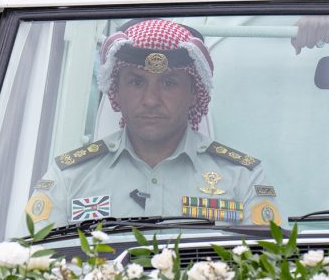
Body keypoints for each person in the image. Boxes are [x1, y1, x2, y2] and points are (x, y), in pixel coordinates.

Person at [25, 19, 281, 229]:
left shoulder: (241, 178)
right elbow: (33, 269)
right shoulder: (69, 177)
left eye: (169, 83)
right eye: (137, 82)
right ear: (117, 90)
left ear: (194, 92)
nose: (151, 100)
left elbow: (267, 272)